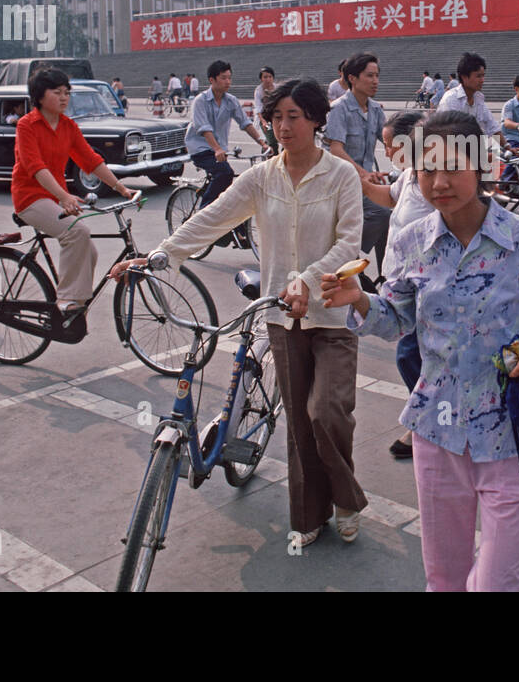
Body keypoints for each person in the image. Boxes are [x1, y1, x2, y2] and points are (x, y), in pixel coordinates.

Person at [321, 111, 519, 590]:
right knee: (443, 576)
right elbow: (399, 317)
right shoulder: (411, 242)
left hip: (511, 431)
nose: (438, 182)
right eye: (426, 168)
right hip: (436, 431)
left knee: (497, 579)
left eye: (453, 167)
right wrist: (359, 300)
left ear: (482, 165)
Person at [113, 78, 366, 546]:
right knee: (296, 422)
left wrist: (306, 280)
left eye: (293, 117)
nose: (282, 127)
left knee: (327, 411)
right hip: (280, 315)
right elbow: (213, 217)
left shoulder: (341, 175)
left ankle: (346, 499)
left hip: (331, 312)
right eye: (275, 119)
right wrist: (161, 255)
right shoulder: (263, 176)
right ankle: (309, 515)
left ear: (315, 120)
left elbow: (350, 241)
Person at [11, 69, 136, 321]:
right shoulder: (27, 125)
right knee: (77, 232)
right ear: (39, 96)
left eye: (67, 92)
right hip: (30, 197)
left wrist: (121, 188)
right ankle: (66, 300)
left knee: (89, 250)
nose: (64, 97)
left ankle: (75, 309)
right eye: (57, 92)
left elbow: (90, 161)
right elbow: (36, 168)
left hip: (55, 196)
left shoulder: (68, 126)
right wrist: (65, 196)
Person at [358, 110, 433, 460]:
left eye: (390, 145)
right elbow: (388, 197)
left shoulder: (433, 180)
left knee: (410, 356)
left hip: (426, 286)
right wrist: (357, 181)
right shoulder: (410, 175)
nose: (387, 152)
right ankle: (426, 421)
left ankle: (425, 423)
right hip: (402, 284)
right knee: (415, 356)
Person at [326, 52, 390, 277]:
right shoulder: (338, 109)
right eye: (369, 76)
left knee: (393, 214)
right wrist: (363, 174)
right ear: (352, 78)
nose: (375, 81)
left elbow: (389, 140)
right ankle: (346, 255)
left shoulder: (375, 109)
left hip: (365, 181)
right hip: (341, 181)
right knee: (382, 213)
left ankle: (387, 274)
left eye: (377, 76)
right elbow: (336, 149)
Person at [185, 61, 270, 210]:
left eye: (229, 78)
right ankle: (203, 216)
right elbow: (204, 129)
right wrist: (217, 149)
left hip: (219, 151)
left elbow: (245, 123)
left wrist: (262, 143)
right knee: (225, 173)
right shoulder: (200, 101)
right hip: (201, 149)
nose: (228, 82)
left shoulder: (231, 100)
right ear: (212, 80)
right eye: (224, 78)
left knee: (230, 188)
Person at [437, 53, 502, 151]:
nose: (482, 80)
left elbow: (492, 126)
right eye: (478, 76)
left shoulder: (478, 98)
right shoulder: (450, 100)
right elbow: (449, 134)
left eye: (483, 76)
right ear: (464, 77)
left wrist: (507, 147)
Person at [253, 67, 278, 153]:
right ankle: (273, 157)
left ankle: (267, 147)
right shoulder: (258, 91)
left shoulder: (277, 88)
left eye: (270, 77)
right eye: (265, 77)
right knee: (273, 142)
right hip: (265, 118)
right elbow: (258, 108)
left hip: (277, 117)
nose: (268, 79)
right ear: (261, 79)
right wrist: (263, 122)